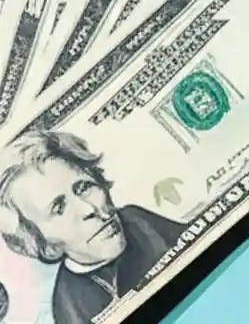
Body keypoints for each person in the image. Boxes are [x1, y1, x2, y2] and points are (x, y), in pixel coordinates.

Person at [0, 130, 185, 324]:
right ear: (43, 243)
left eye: (84, 188)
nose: (89, 209)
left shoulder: (136, 220)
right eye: (59, 208)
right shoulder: (68, 307)